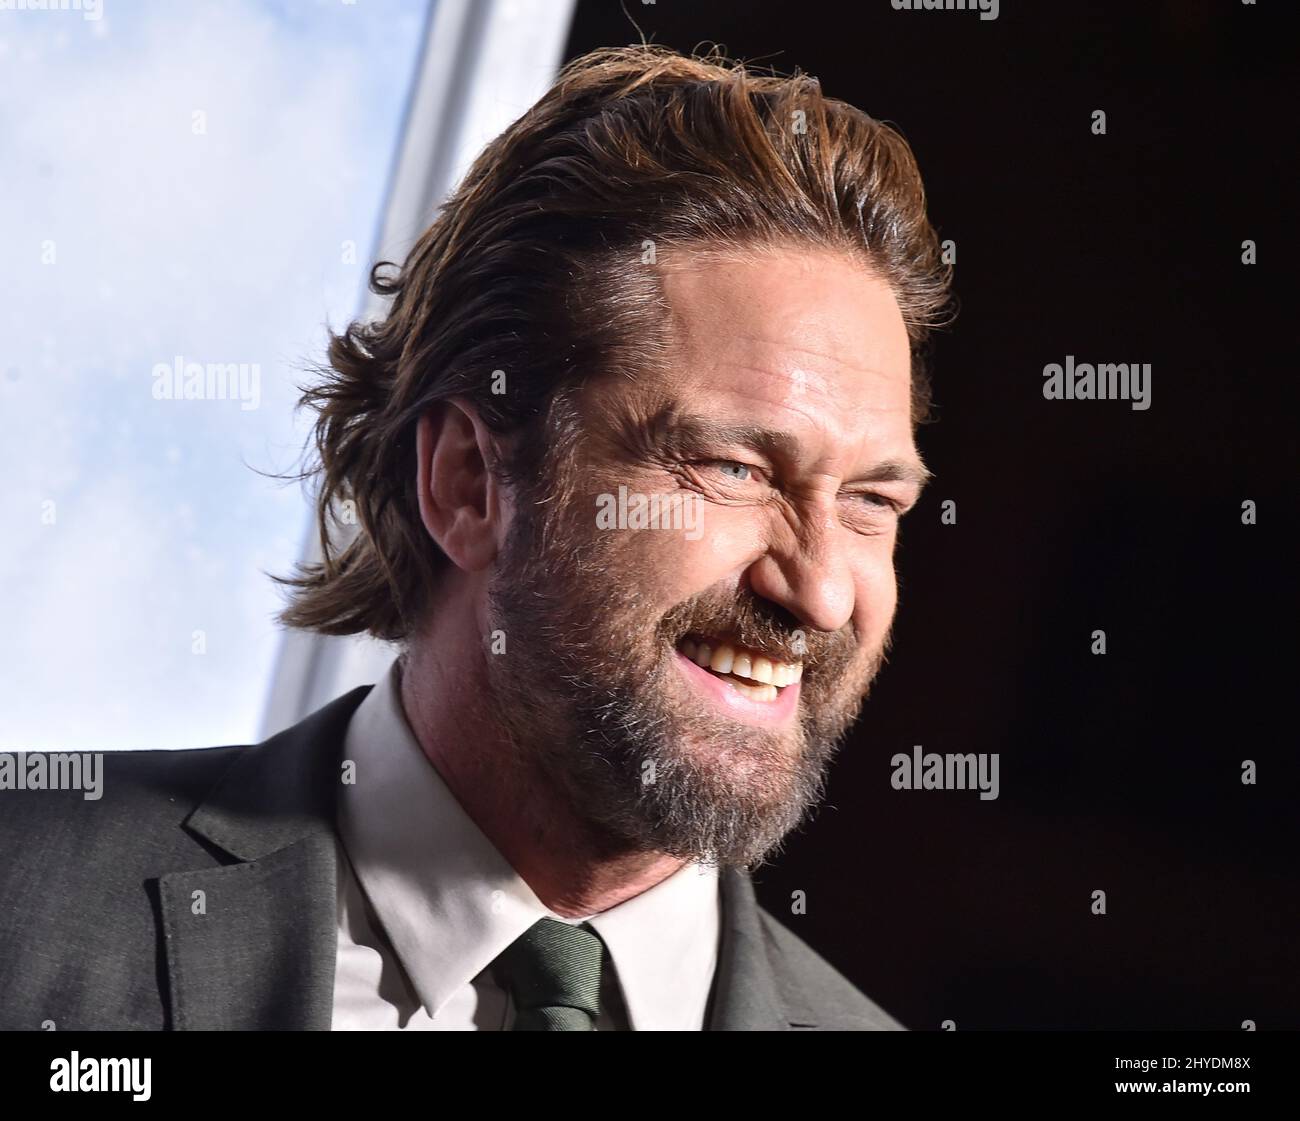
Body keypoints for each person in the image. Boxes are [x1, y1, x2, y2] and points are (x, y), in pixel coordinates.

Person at [0, 43, 953, 1031]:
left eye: (870, 503)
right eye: (734, 469)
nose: (823, 592)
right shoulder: (26, 906)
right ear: (468, 481)